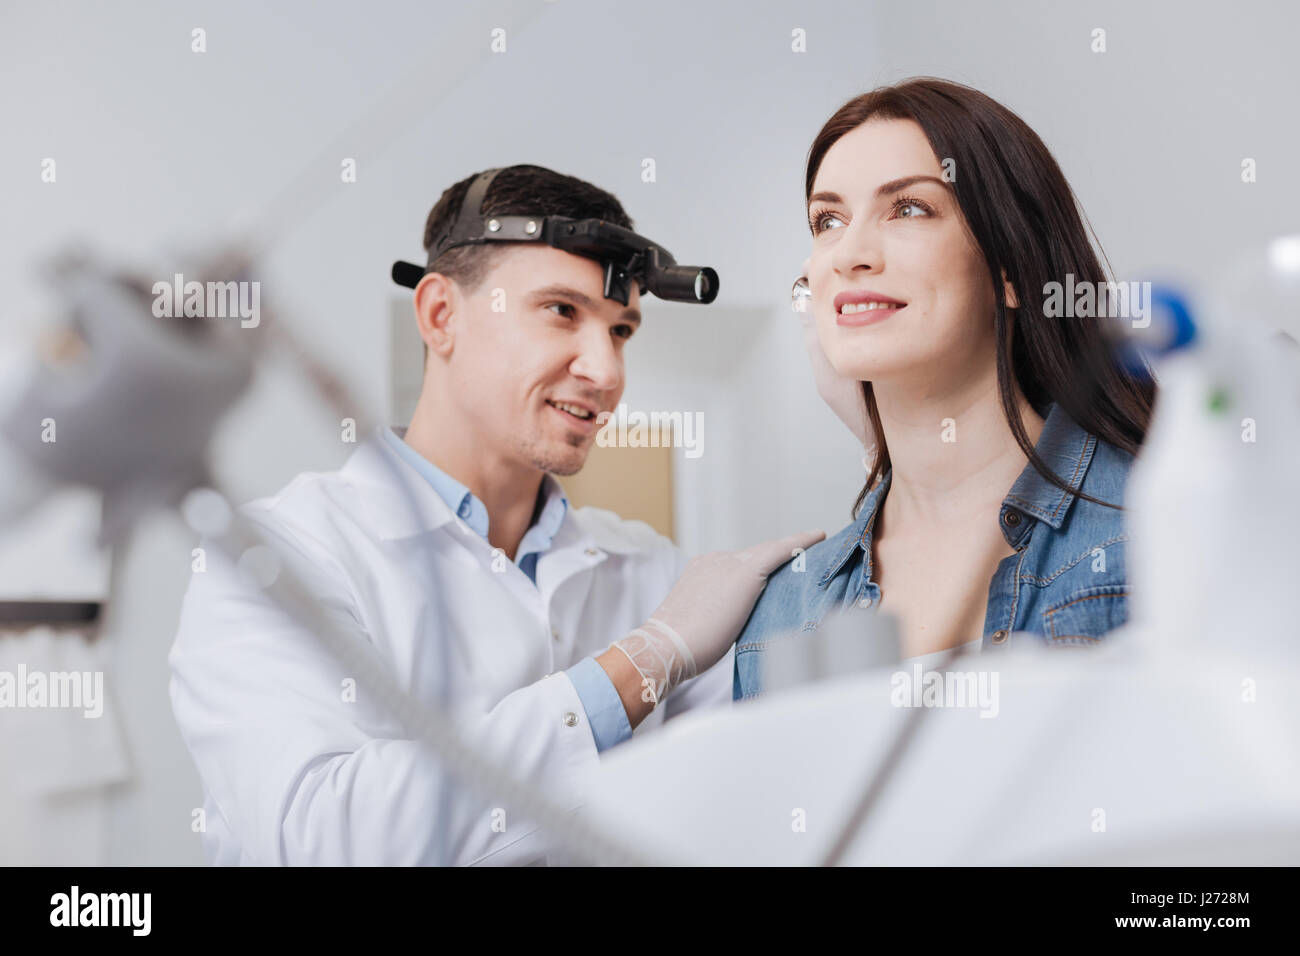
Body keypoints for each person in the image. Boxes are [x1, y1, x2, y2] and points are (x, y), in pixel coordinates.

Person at [168, 164, 822, 864]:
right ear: (440, 316)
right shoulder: (279, 557)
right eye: (562, 311)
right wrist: (641, 663)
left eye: (623, 330)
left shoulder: (648, 568)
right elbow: (324, 839)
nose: (605, 372)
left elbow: (760, 791)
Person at [735, 78, 1155, 699]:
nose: (849, 253)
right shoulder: (781, 614)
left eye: (908, 209)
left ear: (1009, 269)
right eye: (827, 220)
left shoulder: (1160, 523)